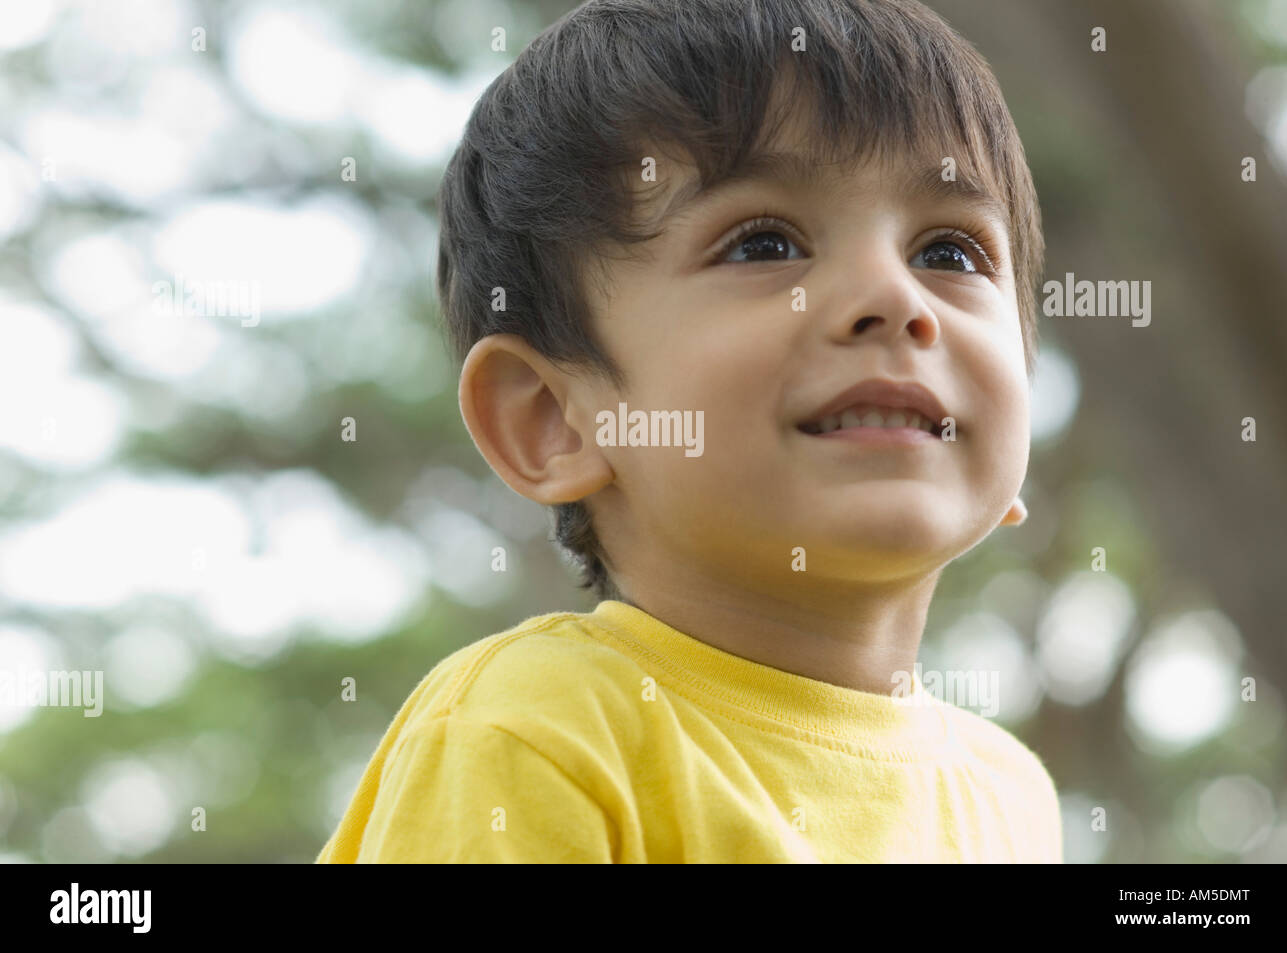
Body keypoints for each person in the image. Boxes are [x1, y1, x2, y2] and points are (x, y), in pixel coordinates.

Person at [319, 0, 1060, 863]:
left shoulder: (1014, 794)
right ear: (551, 419)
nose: (894, 298)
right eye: (763, 245)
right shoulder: (536, 732)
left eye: (949, 253)